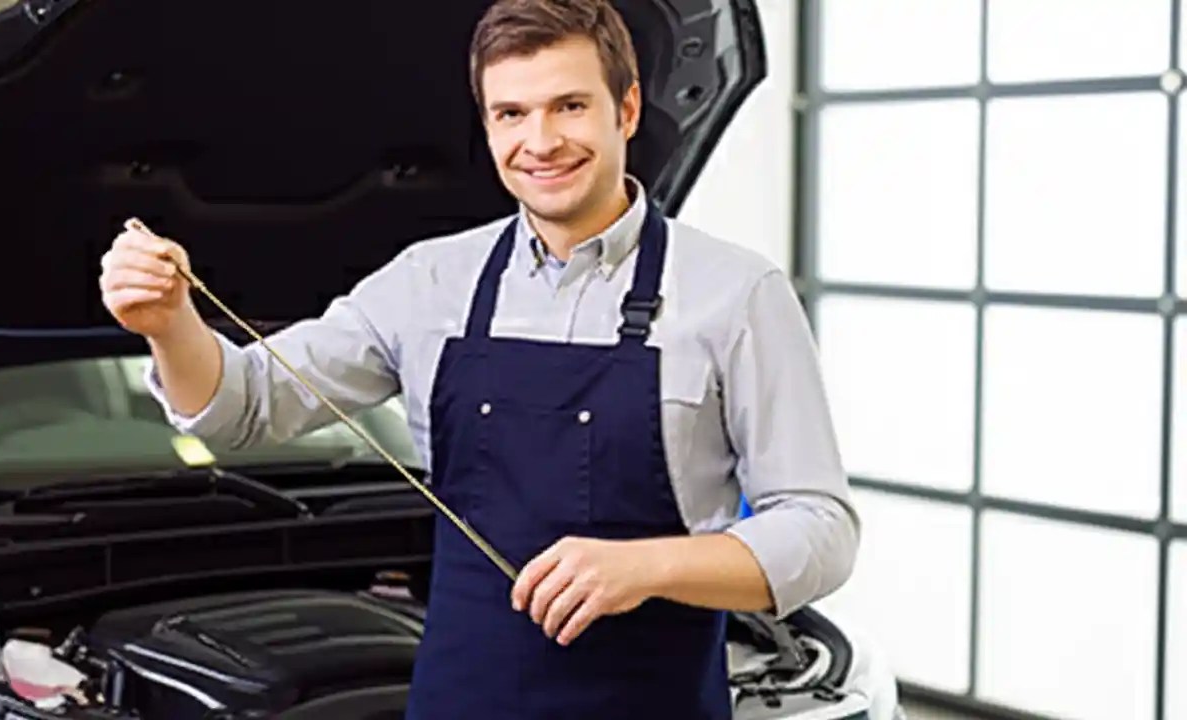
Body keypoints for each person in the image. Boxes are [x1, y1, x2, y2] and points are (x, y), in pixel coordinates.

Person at [98, 0, 858, 716]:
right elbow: (246, 404)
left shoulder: (738, 293)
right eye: (512, 114)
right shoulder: (428, 282)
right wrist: (170, 324)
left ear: (625, 109)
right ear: (488, 126)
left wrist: (646, 566)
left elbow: (819, 528)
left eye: (569, 105)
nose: (541, 141)